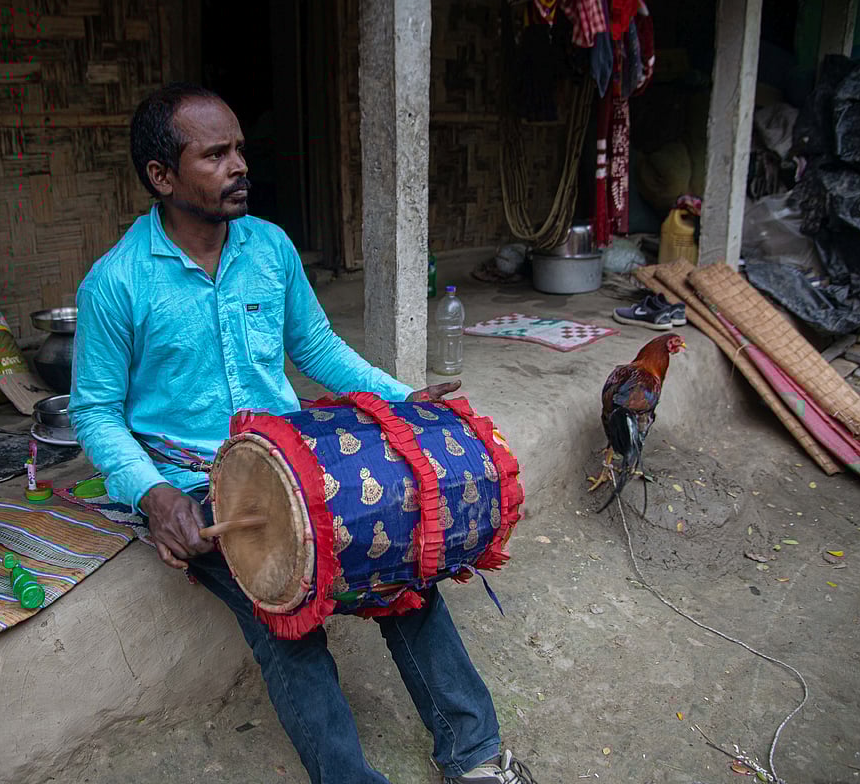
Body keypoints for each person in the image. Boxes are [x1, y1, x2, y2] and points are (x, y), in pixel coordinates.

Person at [71, 82, 535, 784]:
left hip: (296, 461)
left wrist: (401, 400)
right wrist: (153, 495)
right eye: (216, 154)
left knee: (404, 576)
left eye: (240, 151)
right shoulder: (116, 283)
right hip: (200, 487)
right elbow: (94, 412)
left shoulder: (269, 248)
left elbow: (317, 350)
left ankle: (473, 758)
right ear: (162, 177)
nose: (239, 167)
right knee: (284, 621)